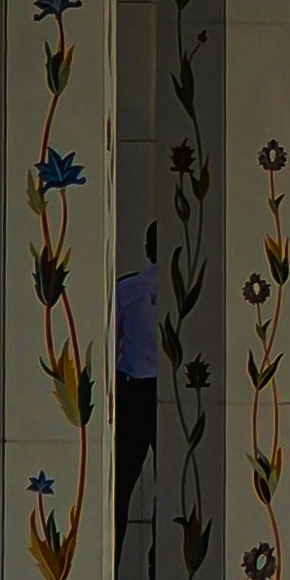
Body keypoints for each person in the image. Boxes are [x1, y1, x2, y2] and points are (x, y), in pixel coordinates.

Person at [113, 225, 159, 537]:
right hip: (174, 393)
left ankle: (112, 553)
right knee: (174, 480)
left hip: (133, 388)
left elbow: (112, 342)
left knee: (123, 480)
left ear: (147, 249)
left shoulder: (128, 288)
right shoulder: (193, 289)